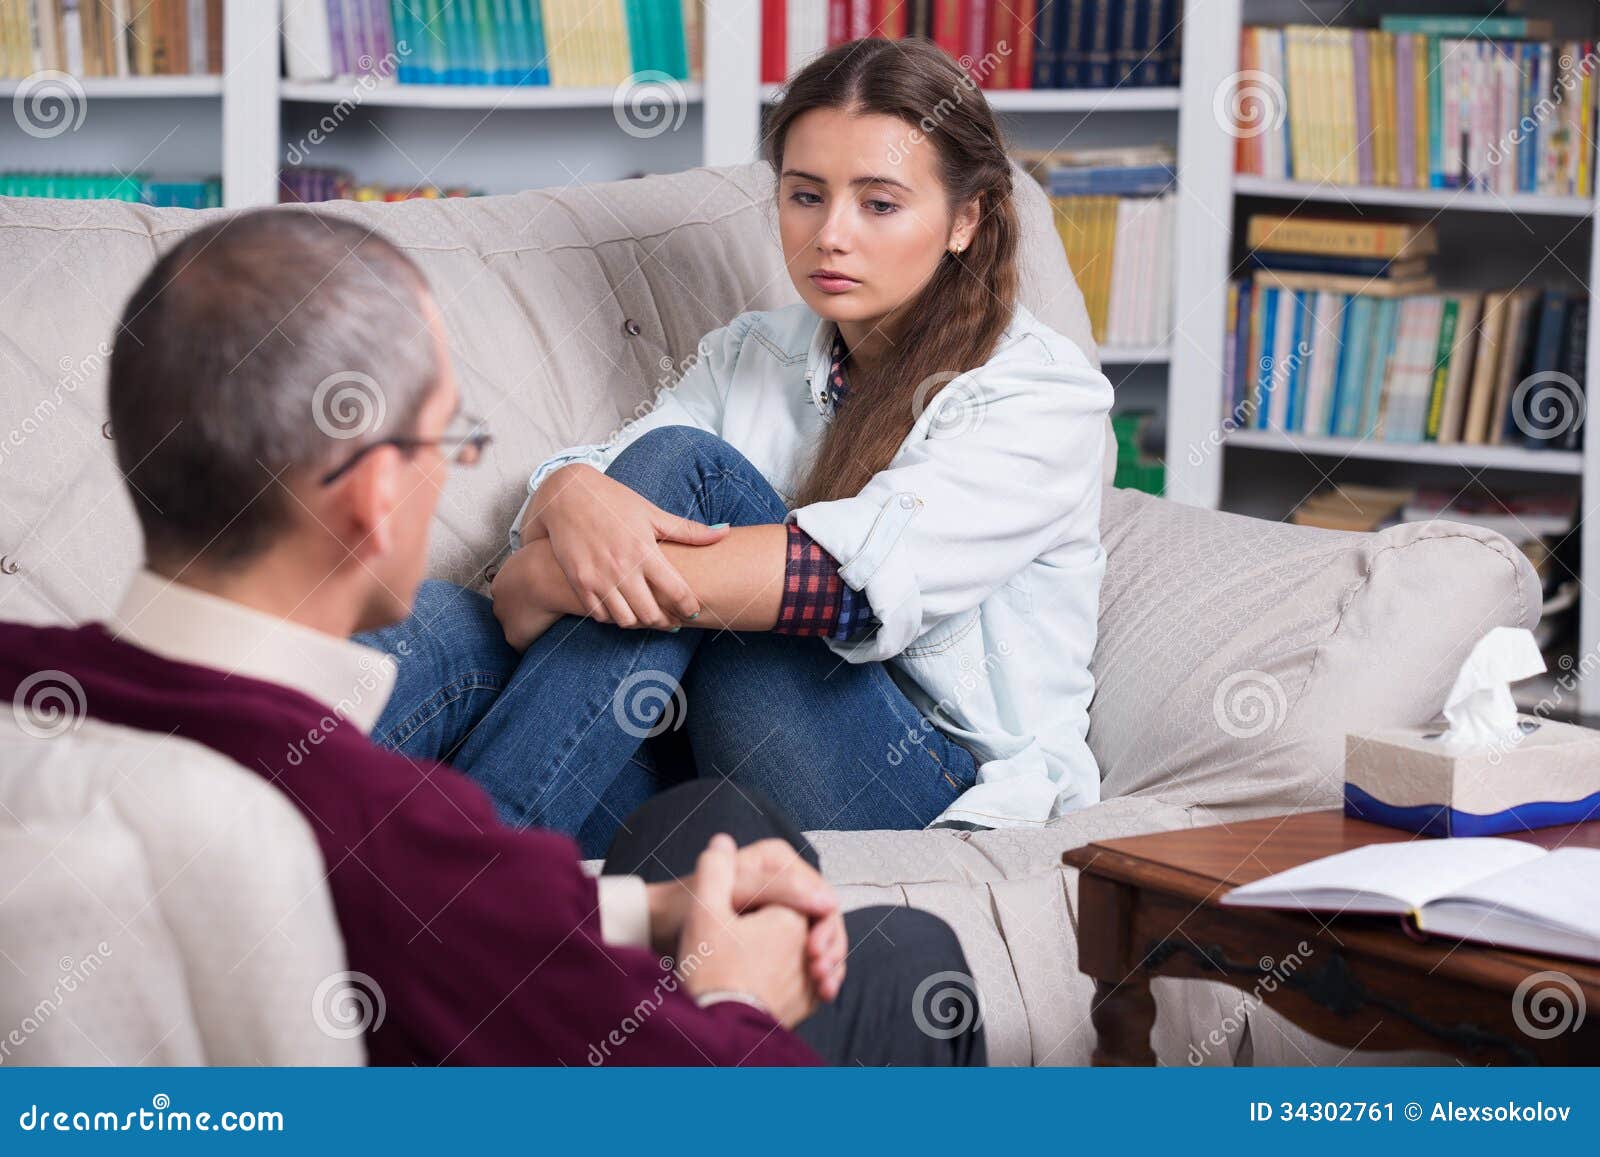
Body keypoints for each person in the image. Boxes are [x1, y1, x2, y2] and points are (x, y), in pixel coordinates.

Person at [0, 208, 984, 1067]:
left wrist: (645, 912)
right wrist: (733, 992)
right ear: (378, 493)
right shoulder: (400, 850)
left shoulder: (29, 683)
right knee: (909, 963)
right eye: (449, 440)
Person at [362, 37, 1115, 853]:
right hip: (712, 754)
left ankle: (476, 871)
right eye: (805, 195)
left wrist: (560, 572)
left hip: (920, 782)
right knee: (446, 625)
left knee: (690, 469)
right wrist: (567, 491)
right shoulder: (754, 350)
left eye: (879, 204)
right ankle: (247, 859)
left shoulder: (1039, 390)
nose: (830, 235)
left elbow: (847, 592)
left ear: (965, 220)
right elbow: (533, 575)